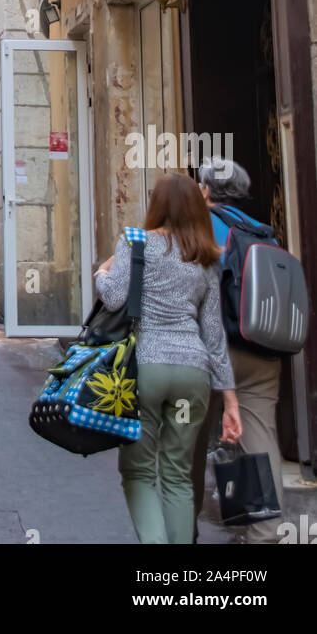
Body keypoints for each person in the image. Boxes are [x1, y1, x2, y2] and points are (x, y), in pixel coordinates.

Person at [95, 172, 242, 545]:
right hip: (193, 375)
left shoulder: (135, 242)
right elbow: (213, 333)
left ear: (156, 205)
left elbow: (112, 298)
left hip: (146, 371)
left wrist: (100, 272)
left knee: (139, 471)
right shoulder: (205, 256)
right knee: (178, 473)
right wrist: (230, 400)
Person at [192, 156, 284, 544]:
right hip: (262, 350)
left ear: (207, 190)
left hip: (212, 351)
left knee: (190, 442)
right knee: (260, 439)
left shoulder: (199, 227)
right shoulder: (266, 235)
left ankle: (183, 528)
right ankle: (264, 533)